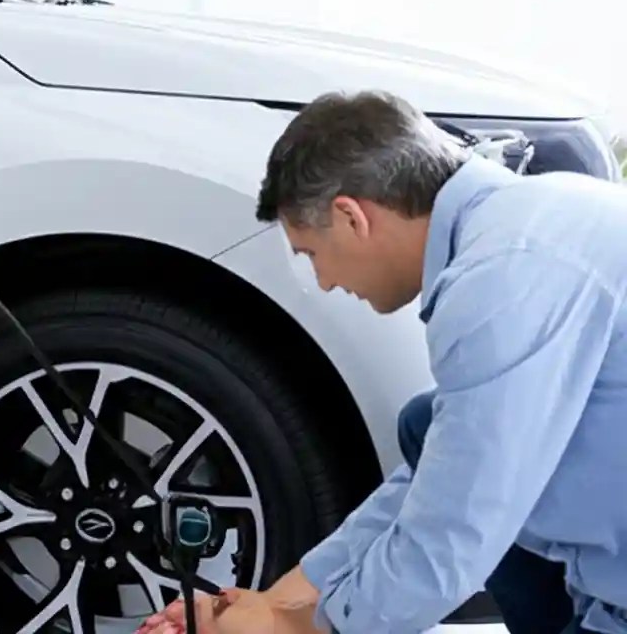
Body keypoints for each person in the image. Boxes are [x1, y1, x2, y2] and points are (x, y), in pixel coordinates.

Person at [138, 90, 627, 634]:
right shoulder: (524, 223)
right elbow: (441, 479)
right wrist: (276, 604)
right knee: (425, 426)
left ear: (351, 217)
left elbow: (448, 541)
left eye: (311, 254)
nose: (324, 281)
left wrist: (296, 630)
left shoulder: (502, 281)